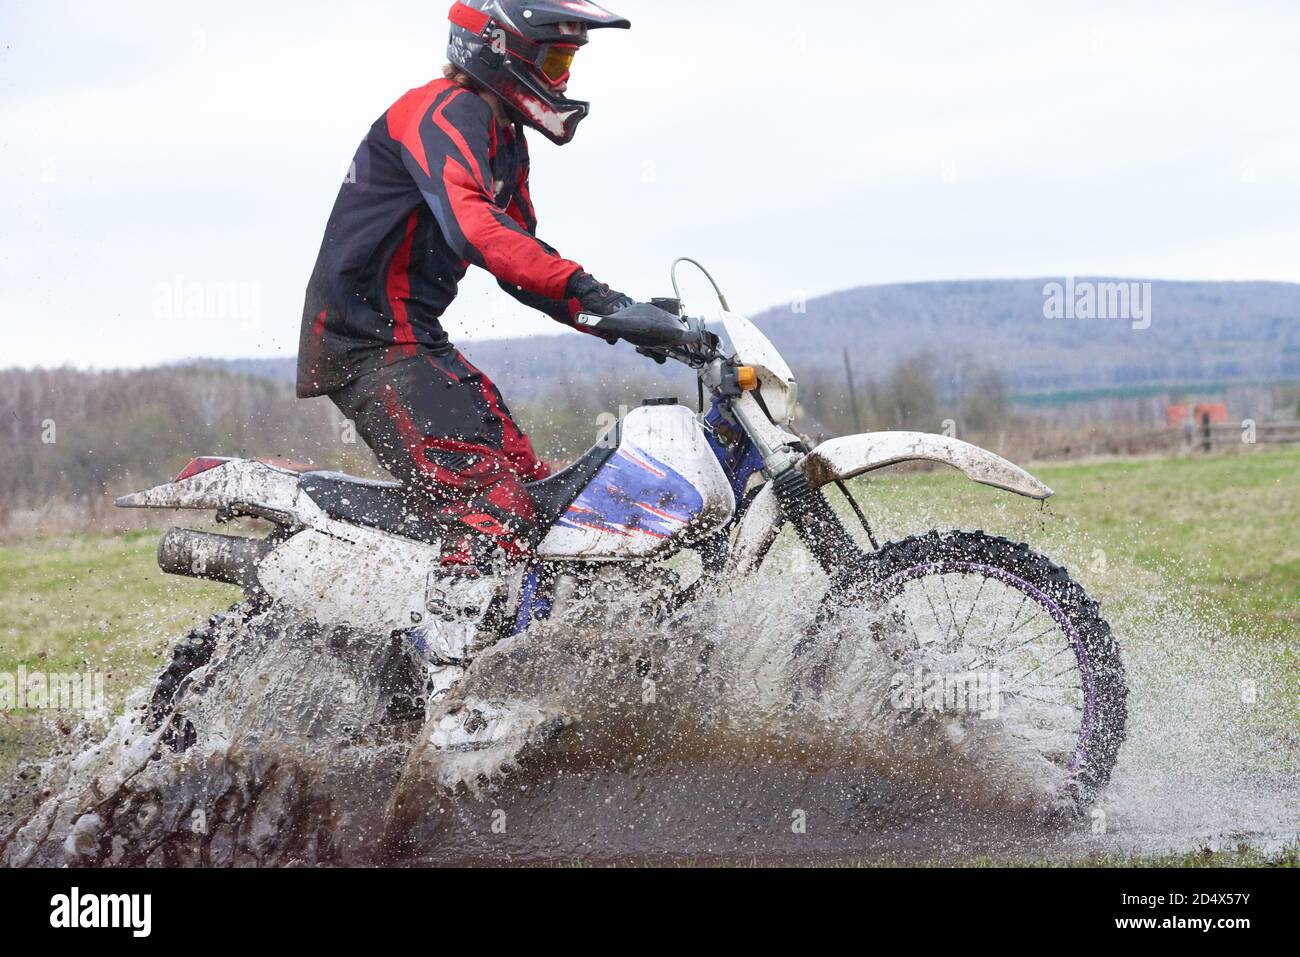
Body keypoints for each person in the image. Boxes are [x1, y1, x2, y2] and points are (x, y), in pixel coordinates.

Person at [296, 0, 638, 564]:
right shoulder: (440, 109)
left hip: (415, 345)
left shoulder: (505, 139)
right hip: (367, 347)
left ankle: (553, 632)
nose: (562, 78)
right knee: (494, 507)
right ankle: (450, 651)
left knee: (535, 491)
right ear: (502, 50)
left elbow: (523, 262)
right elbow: (476, 229)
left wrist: (623, 317)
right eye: (554, 60)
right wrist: (594, 294)